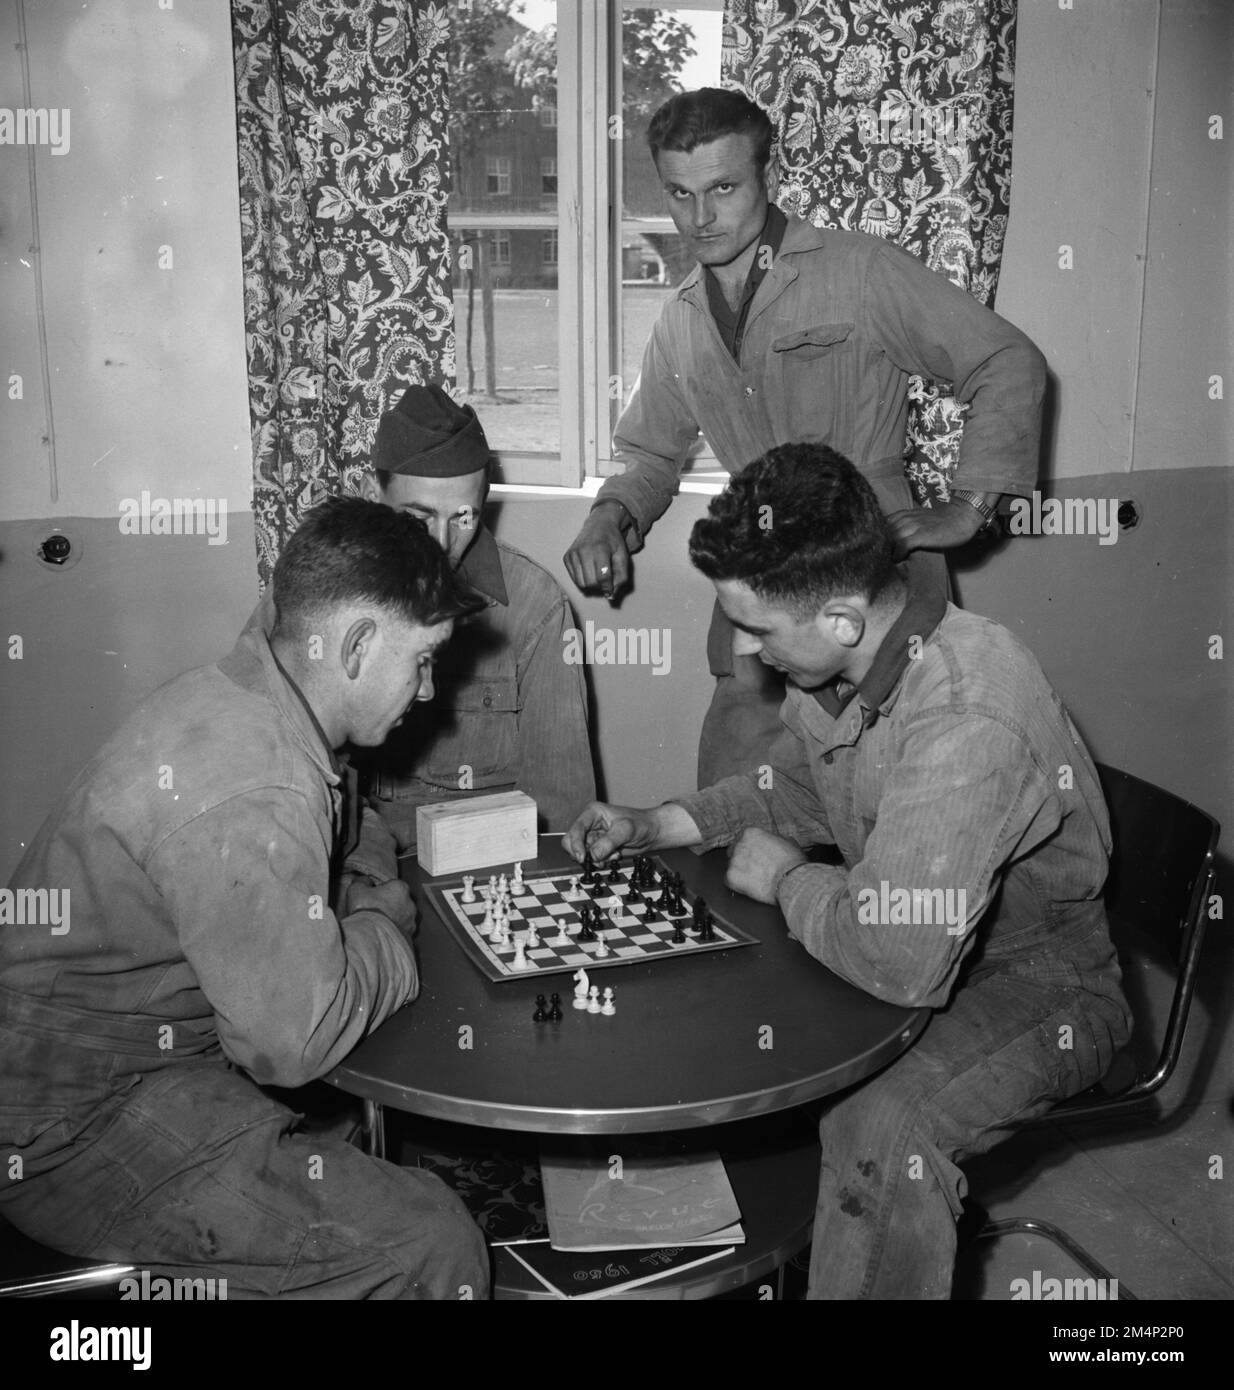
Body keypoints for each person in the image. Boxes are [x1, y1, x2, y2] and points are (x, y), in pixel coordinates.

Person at [564, 444, 1131, 1300]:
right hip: (926, 939)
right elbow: (796, 786)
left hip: (1044, 984)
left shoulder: (968, 711)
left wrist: (791, 882)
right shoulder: (854, 658)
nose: (747, 655)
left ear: (838, 617)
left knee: (880, 1126)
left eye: (755, 628)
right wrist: (661, 823)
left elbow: (897, 958)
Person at [0, 498, 490, 1299]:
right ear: (360, 646)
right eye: (425, 659)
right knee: (426, 1244)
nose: (430, 690)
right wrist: (383, 929)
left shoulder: (256, 686)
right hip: (67, 1119)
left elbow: (340, 811)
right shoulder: (255, 778)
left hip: (115, 1056)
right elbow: (294, 1042)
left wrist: (362, 874)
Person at [562, 88, 1047, 788]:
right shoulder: (680, 321)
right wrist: (610, 515)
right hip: (760, 614)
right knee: (730, 826)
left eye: (723, 188)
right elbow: (651, 454)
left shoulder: (859, 272)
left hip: (874, 589)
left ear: (768, 176)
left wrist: (969, 509)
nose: (701, 217)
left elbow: (1005, 360)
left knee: (894, 823)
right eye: (679, 192)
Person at [357, 383, 596, 846]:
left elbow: (562, 812)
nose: (441, 545)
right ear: (372, 494)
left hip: (484, 870)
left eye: (463, 518)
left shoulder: (536, 605)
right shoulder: (325, 589)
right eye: (418, 517)